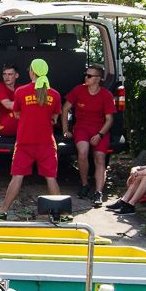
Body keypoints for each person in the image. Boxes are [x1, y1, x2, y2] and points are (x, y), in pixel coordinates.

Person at [0, 59, 64, 219]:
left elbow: (16, 114)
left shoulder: (21, 92)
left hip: (24, 141)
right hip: (47, 143)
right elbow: (54, 119)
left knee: (17, 177)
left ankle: (2, 212)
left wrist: (28, 115)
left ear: (32, 72)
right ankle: (59, 214)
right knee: (51, 178)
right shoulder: (54, 95)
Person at [65, 64, 115, 207]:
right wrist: (65, 129)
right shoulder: (79, 90)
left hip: (100, 129)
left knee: (100, 158)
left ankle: (98, 192)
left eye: (89, 76)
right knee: (83, 152)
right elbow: (65, 109)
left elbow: (110, 119)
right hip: (81, 128)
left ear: (98, 79)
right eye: (86, 75)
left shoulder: (106, 95)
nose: (85, 78)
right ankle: (85, 184)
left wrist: (100, 134)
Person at [0, 63, 21, 142]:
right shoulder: (0, 87)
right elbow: (8, 105)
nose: (6, 77)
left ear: (16, 75)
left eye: (10, 74)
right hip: (3, 126)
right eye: (4, 74)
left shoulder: (20, 88)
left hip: (18, 123)